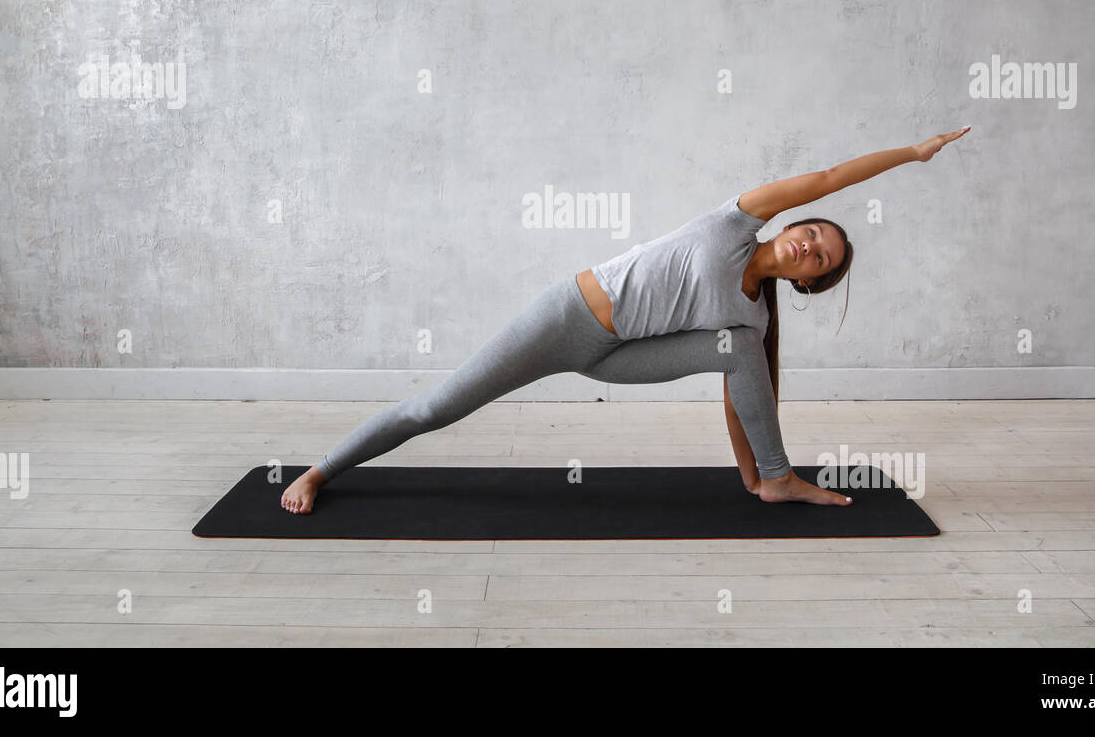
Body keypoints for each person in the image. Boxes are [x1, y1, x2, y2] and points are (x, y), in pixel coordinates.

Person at [281, 127, 972, 513]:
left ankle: (775, 479)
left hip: (615, 355)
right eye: (813, 232)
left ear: (809, 280)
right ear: (793, 224)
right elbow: (826, 178)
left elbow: (741, 398)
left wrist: (751, 476)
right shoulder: (737, 221)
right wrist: (910, 155)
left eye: (819, 257)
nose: (809, 244)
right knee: (436, 407)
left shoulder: (751, 320)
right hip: (567, 317)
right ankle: (321, 470)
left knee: (742, 352)